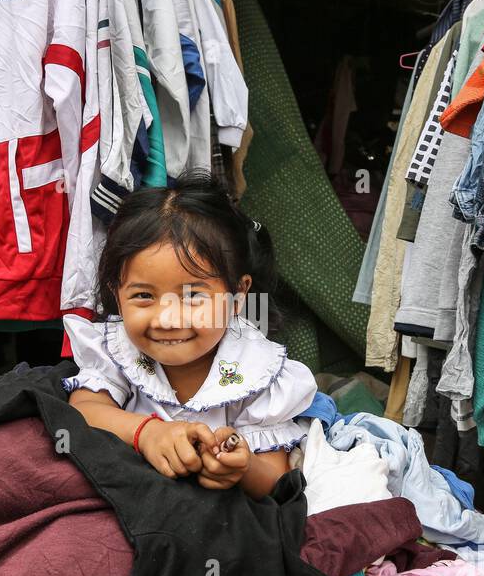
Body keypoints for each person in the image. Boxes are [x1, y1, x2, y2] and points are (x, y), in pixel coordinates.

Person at [64, 175, 316, 498]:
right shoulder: (117, 348)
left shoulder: (256, 371)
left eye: (193, 296)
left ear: (238, 294)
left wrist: (240, 468)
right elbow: (84, 409)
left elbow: (274, 477)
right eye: (143, 296)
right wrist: (147, 433)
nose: (168, 319)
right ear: (117, 292)